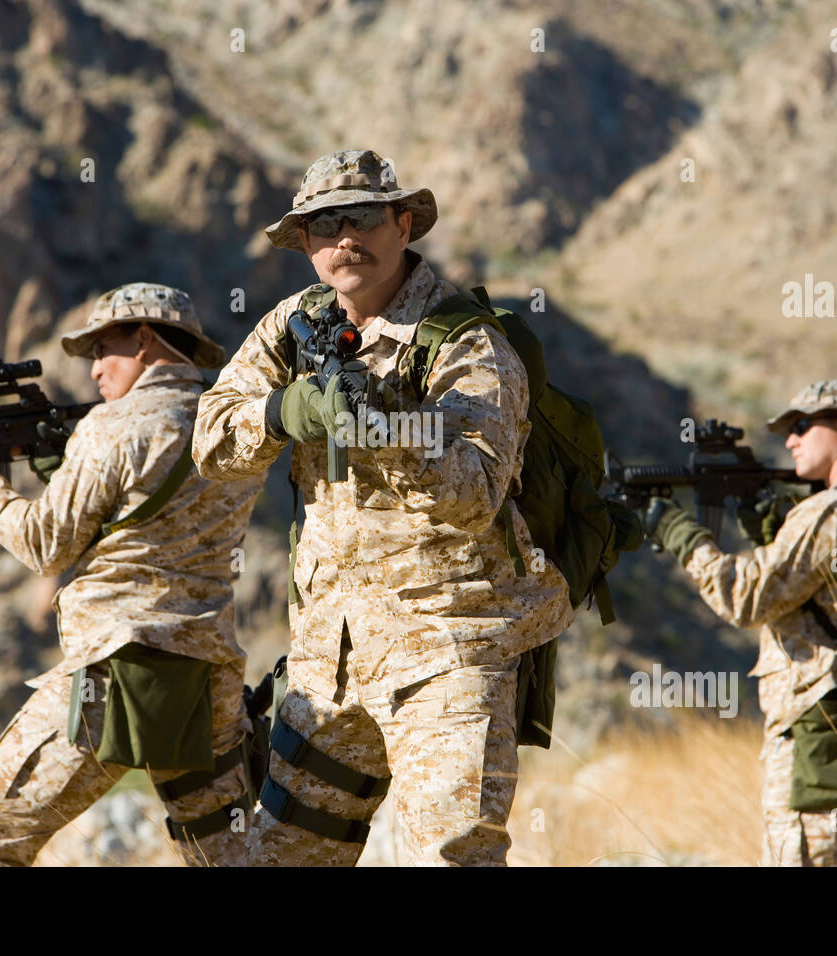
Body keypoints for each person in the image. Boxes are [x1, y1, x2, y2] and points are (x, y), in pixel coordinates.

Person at [192, 148, 574, 866]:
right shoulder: (293, 326)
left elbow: (474, 495)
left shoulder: (466, 342)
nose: (345, 238)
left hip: (446, 653)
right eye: (323, 224)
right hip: (329, 662)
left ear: (403, 224)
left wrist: (383, 430)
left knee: (451, 856)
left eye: (363, 217)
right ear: (303, 242)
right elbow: (210, 442)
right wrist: (281, 412)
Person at [0, 283, 264, 866]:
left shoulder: (112, 426)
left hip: (117, 669)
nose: (95, 368)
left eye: (104, 348)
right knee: (224, 855)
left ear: (146, 340)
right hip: (207, 679)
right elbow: (157, 521)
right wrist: (68, 473)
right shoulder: (233, 423)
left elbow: (44, 544)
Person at [646, 380, 837, 866]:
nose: (790, 440)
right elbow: (833, 587)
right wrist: (777, 529)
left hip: (820, 734)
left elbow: (745, 597)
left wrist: (682, 535)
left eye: (801, 426)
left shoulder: (832, 508)